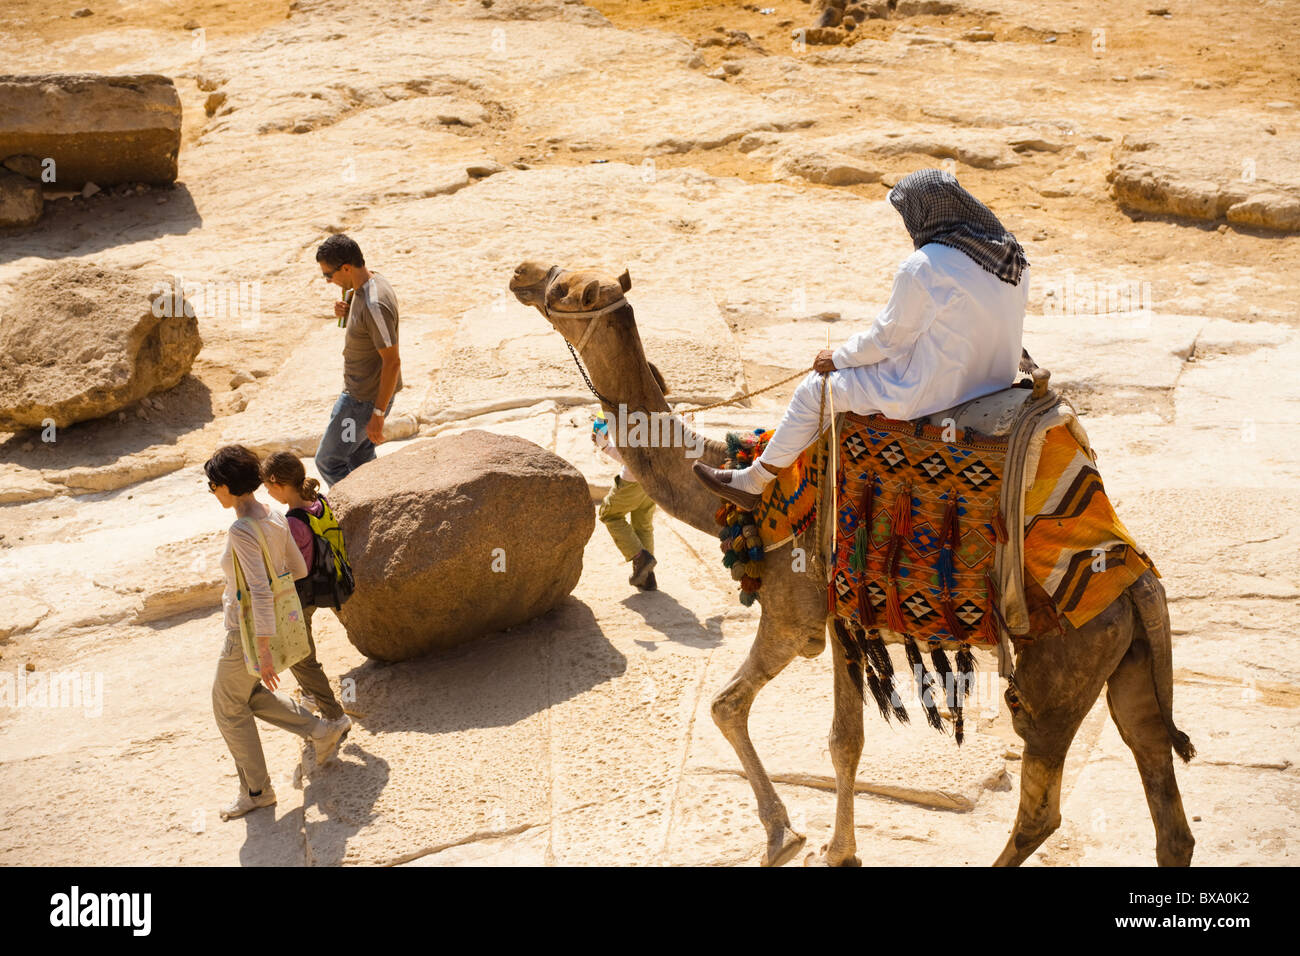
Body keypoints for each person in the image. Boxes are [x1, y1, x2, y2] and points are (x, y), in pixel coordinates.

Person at [694, 168, 1031, 510]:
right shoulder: (1010, 255)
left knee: (815, 390)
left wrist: (837, 358)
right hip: (995, 379)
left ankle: (753, 482)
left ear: (923, 214)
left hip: (936, 390)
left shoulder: (924, 266)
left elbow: (888, 340)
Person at [206, 444, 352, 821]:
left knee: (226, 707)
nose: (211, 491)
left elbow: (258, 588)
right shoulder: (274, 514)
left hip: (245, 633)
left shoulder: (241, 529)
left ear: (225, 486)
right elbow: (297, 571)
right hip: (266, 628)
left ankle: (257, 791)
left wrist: (264, 649)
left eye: (212, 485)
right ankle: (320, 731)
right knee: (248, 696)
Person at [261, 451, 352, 730]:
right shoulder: (319, 501)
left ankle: (335, 716)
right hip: (323, 585)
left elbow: (290, 568)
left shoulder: (292, 522)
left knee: (300, 656)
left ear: (277, 485)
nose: (268, 493)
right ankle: (311, 696)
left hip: (301, 595)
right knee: (303, 650)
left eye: (268, 488)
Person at [314, 234, 403, 488]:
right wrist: (347, 306)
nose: (328, 281)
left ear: (346, 268)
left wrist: (377, 414)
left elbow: (392, 362)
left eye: (328, 275)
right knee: (359, 456)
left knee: (329, 461)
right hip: (364, 399)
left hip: (361, 404)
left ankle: (359, 509)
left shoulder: (375, 305)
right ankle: (379, 503)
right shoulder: (366, 285)